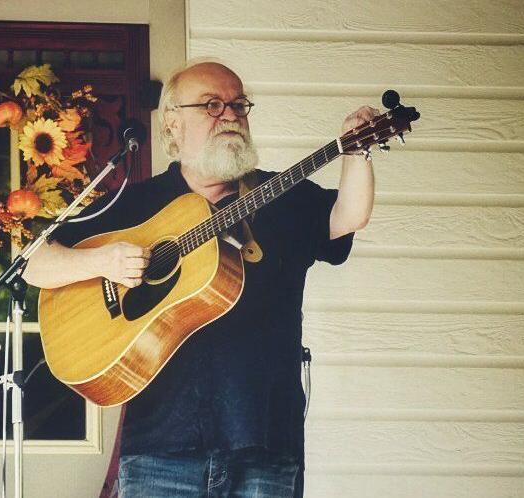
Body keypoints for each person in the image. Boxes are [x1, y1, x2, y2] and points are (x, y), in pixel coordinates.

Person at [22, 59, 375, 497]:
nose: (230, 115)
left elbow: (347, 216)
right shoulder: (136, 204)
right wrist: (102, 262)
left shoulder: (281, 195)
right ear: (172, 123)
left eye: (239, 105)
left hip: (265, 440)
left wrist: (356, 151)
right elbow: (35, 261)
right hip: (160, 445)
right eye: (212, 105)